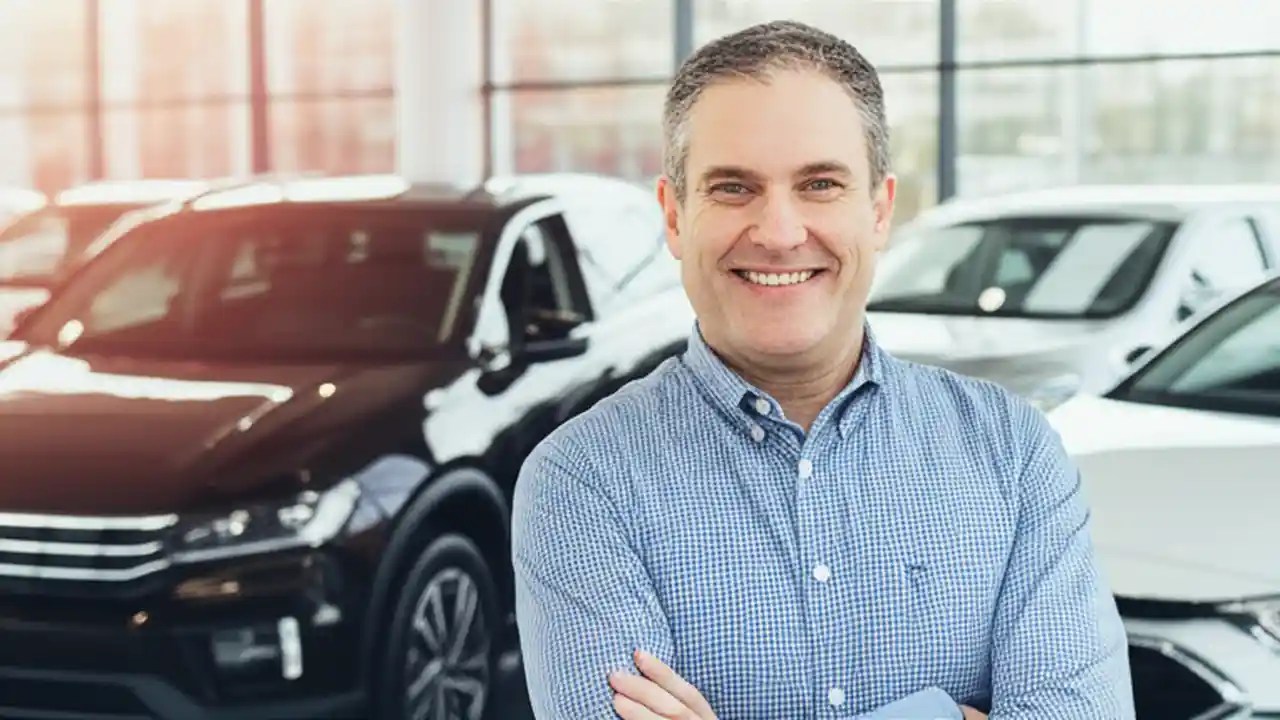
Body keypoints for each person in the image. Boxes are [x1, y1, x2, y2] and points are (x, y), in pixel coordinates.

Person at [511, 19, 1134, 720]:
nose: (779, 233)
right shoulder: (581, 481)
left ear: (879, 210)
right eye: (734, 188)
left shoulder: (1014, 453)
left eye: (819, 184)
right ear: (675, 216)